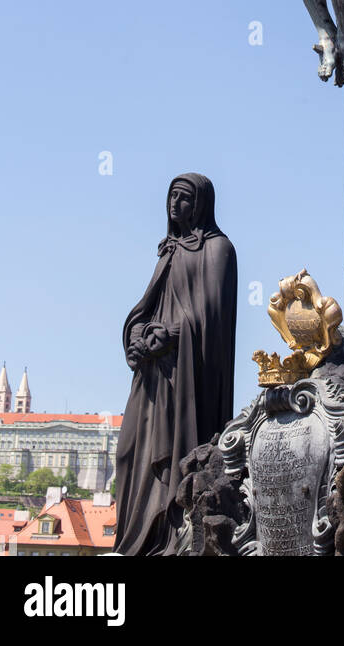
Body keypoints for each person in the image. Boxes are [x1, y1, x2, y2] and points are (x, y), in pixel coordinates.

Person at [115, 173, 237, 556]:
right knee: (128, 451)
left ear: (200, 204)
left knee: (175, 459)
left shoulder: (219, 250)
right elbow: (145, 305)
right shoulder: (169, 249)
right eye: (171, 197)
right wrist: (136, 335)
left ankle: (172, 536)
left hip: (187, 375)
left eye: (183, 198)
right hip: (153, 373)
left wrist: (172, 335)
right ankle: (138, 540)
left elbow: (212, 319)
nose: (174, 205)